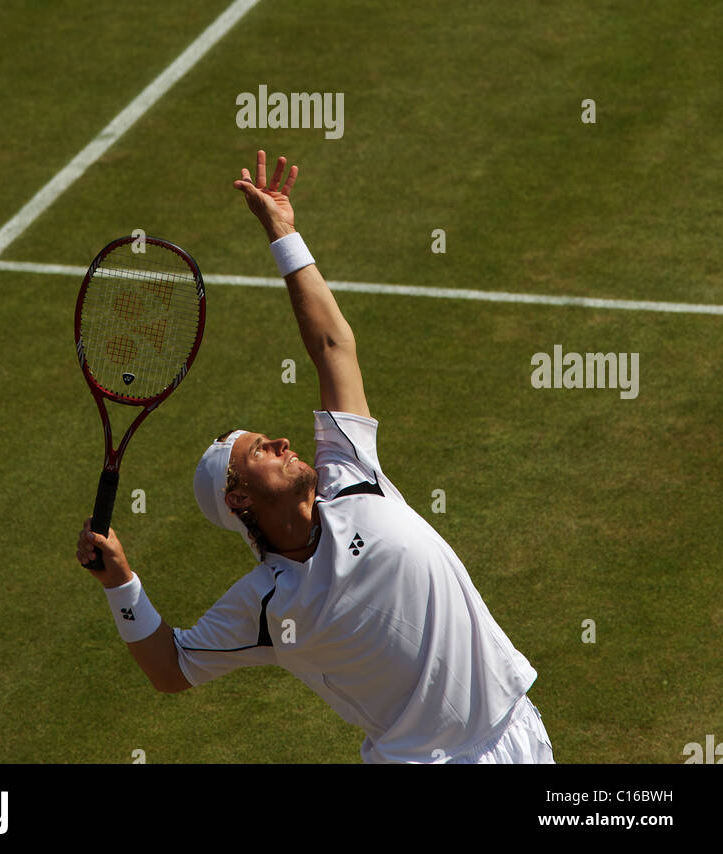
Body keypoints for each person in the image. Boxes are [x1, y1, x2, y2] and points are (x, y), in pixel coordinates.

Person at [77, 151, 555, 764]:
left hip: (518, 733)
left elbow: (332, 346)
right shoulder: (268, 603)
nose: (281, 442)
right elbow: (170, 669)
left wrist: (284, 234)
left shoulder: (352, 477)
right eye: (259, 451)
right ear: (239, 498)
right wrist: (119, 581)